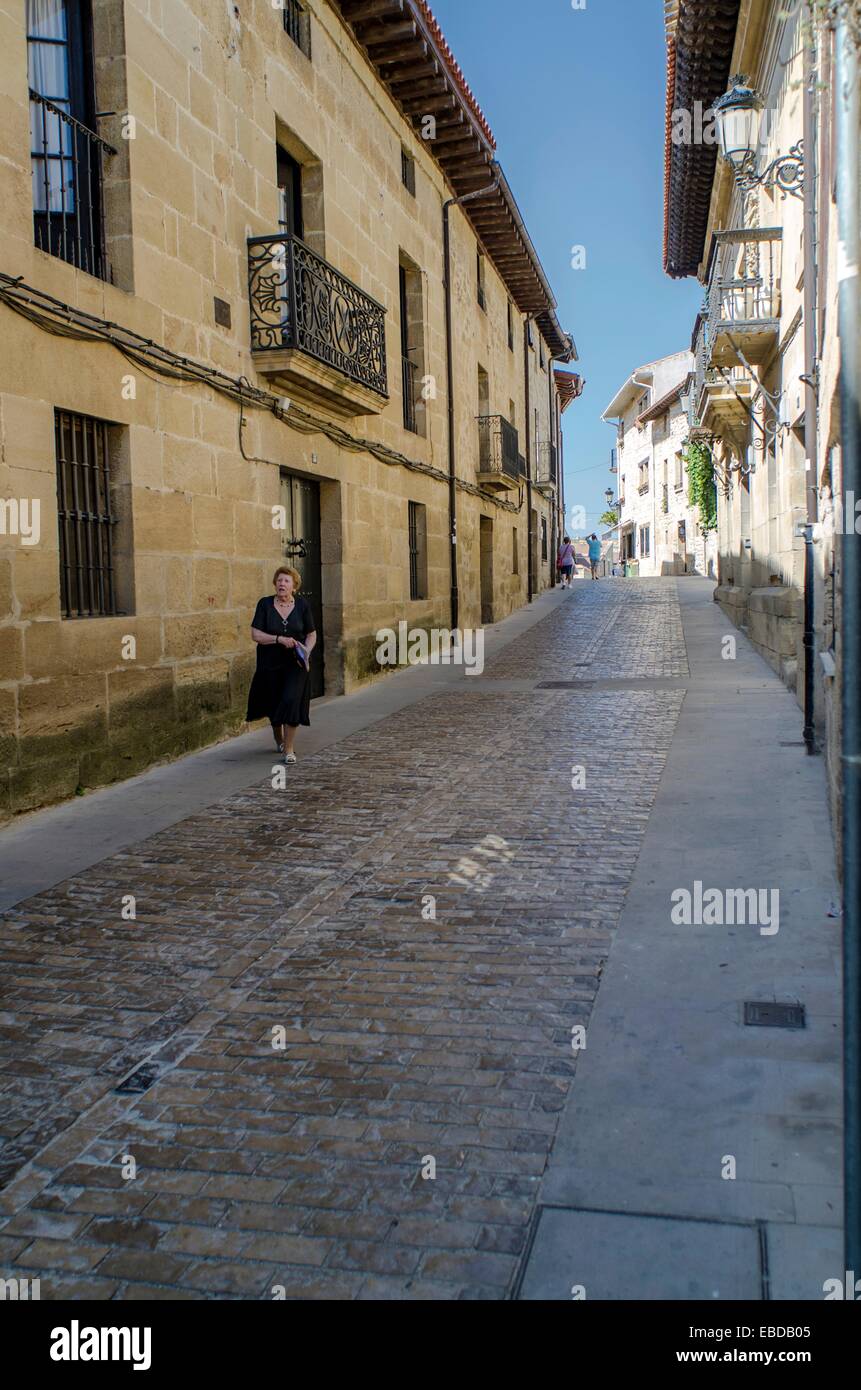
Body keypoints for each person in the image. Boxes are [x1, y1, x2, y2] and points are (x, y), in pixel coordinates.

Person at [246, 566, 317, 765]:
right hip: (270, 664)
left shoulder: (302, 605)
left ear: (294, 586)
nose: (281, 584)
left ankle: (289, 748)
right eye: (279, 580)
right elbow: (255, 634)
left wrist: (307, 651)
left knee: (291, 700)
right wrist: (278, 639)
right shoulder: (265, 604)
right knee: (274, 703)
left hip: (295, 664)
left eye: (286, 581)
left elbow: (311, 633)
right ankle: (278, 737)